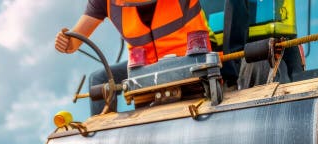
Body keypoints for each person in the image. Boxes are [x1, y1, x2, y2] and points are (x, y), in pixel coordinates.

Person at [56, 0, 211, 115]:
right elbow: (74, 41)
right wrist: (67, 42)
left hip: (192, 62)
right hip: (144, 72)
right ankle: (104, 135)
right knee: (99, 79)